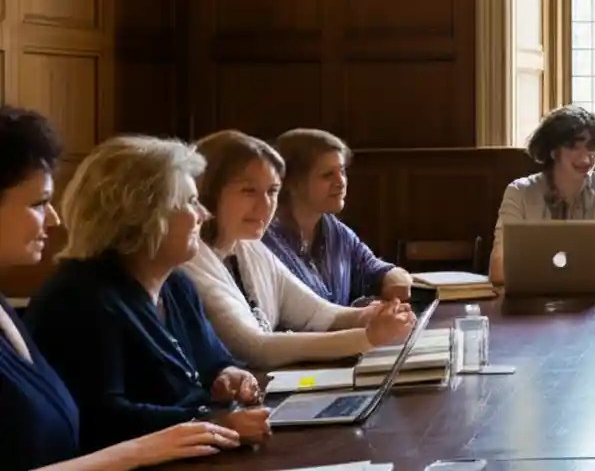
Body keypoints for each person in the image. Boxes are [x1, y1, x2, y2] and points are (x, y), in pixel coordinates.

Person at [23, 133, 270, 455]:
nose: (203, 215)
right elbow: (102, 420)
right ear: (141, 214)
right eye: (189, 203)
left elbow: (214, 362)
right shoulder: (79, 299)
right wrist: (212, 421)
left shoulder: (176, 284)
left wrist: (230, 375)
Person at [182, 130, 415, 369]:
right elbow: (256, 349)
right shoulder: (189, 258)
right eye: (248, 191)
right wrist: (368, 337)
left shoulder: (248, 247)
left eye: (272, 191)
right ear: (207, 192)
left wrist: (371, 316)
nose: (265, 205)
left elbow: (319, 314)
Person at [490, 105, 595, 285]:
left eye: (592, 147)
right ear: (552, 150)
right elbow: (498, 269)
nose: (585, 159)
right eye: (573, 147)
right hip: (533, 302)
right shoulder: (519, 192)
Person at [264, 128, 412, 305]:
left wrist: (394, 279)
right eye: (328, 175)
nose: (341, 182)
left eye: (342, 171)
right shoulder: (265, 240)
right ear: (292, 183)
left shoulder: (334, 230)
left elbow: (374, 269)